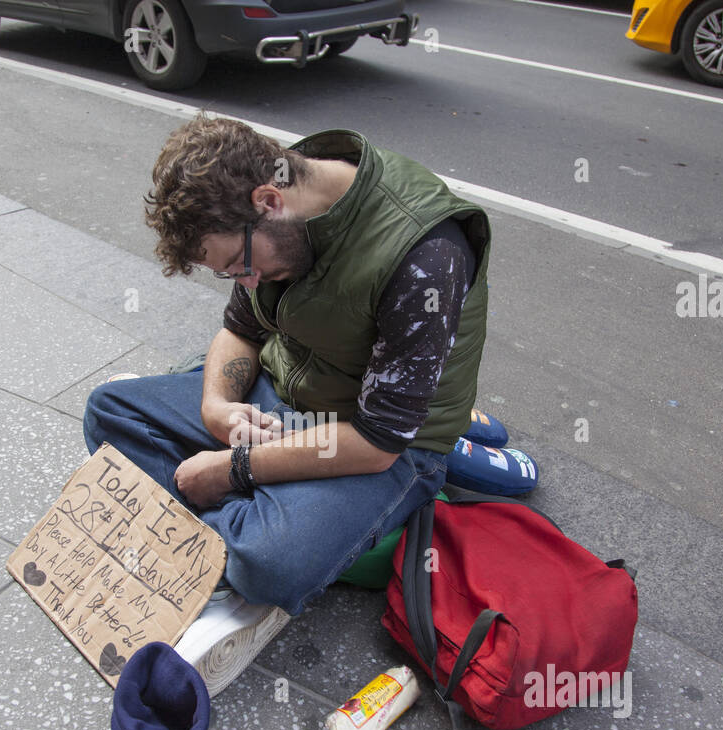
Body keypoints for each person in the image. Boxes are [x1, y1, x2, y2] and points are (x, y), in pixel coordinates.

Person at [83, 114, 492, 694]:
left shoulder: (424, 253)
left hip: (375, 439)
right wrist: (217, 406)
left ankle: (246, 542)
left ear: (270, 200)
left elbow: (377, 444)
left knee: (270, 563)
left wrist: (232, 469)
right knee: (107, 412)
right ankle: (250, 525)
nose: (244, 283)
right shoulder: (271, 213)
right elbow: (240, 331)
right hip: (279, 397)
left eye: (238, 266)